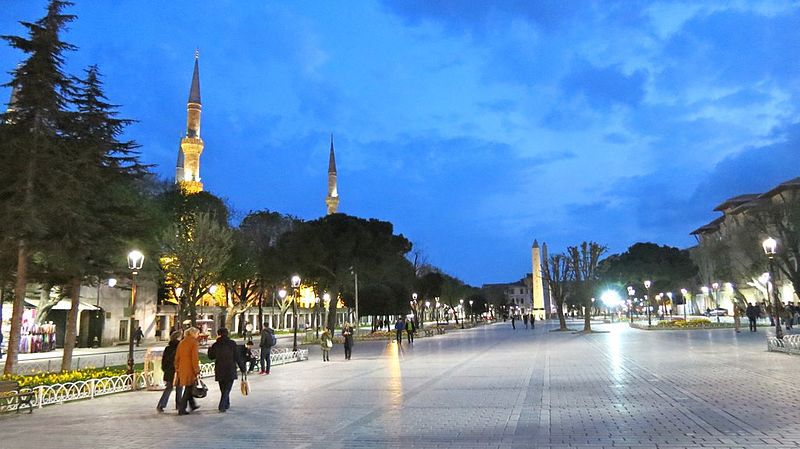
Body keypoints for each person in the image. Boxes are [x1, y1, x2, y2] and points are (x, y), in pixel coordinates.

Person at [207, 327, 246, 413]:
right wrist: (243, 368)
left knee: (223, 388)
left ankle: (226, 403)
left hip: (219, 368)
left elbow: (211, 357)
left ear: (218, 334)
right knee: (227, 388)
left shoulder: (216, 344)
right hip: (230, 368)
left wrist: (209, 349)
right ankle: (222, 405)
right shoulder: (232, 344)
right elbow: (237, 357)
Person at [174, 327, 201, 415]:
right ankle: (182, 409)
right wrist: (196, 370)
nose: (198, 335)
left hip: (182, 368)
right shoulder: (193, 343)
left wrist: (177, 367)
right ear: (193, 334)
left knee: (189, 387)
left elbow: (177, 357)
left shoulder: (182, 342)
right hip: (190, 369)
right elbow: (194, 358)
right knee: (188, 388)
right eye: (197, 333)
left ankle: (192, 405)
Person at [157, 330, 182, 413]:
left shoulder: (168, 348)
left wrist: (165, 369)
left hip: (169, 370)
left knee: (169, 388)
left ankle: (161, 405)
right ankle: (179, 405)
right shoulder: (180, 347)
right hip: (177, 370)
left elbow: (164, 360)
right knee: (179, 388)